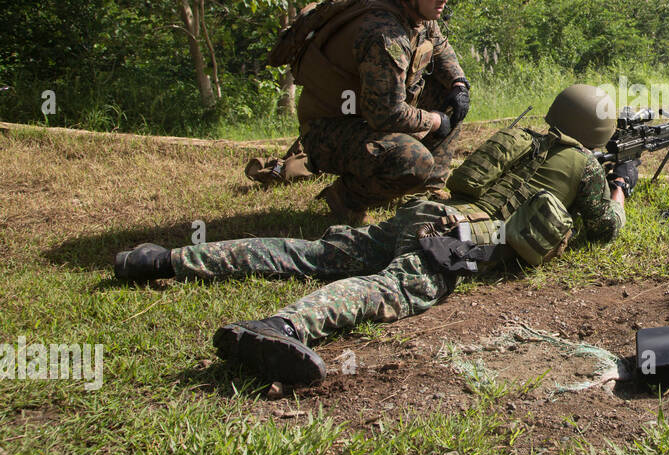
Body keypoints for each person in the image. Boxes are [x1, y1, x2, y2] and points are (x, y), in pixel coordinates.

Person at [113, 85, 641, 386]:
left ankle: (161, 260)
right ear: (599, 136)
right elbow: (607, 229)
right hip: (458, 240)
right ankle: (281, 327)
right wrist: (621, 184)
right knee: (387, 288)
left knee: (313, 252)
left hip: (427, 212)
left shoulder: (518, 133)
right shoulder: (585, 167)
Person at [296, 0, 471, 226]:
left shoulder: (417, 13)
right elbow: (386, 114)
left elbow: (441, 49)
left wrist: (459, 84)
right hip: (330, 127)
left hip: (363, 115)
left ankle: (428, 189)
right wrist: (435, 121)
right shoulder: (384, 35)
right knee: (412, 160)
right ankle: (347, 198)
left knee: (451, 98)